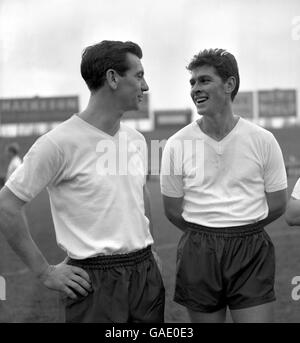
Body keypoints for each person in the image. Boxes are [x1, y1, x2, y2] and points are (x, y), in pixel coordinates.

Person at [0, 40, 165, 323]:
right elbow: (7, 205)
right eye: (138, 76)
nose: (145, 86)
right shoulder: (58, 143)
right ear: (112, 78)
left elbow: (139, 194)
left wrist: (148, 248)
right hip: (94, 281)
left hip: (145, 275)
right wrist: (44, 271)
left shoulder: (137, 141)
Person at [160, 48, 287, 323]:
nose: (195, 89)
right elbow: (171, 209)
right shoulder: (176, 144)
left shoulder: (263, 140)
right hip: (199, 251)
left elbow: (278, 203)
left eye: (204, 80)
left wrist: (241, 226)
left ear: (229, 84)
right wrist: (207, 230)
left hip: (251, 249)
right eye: (192, 82)